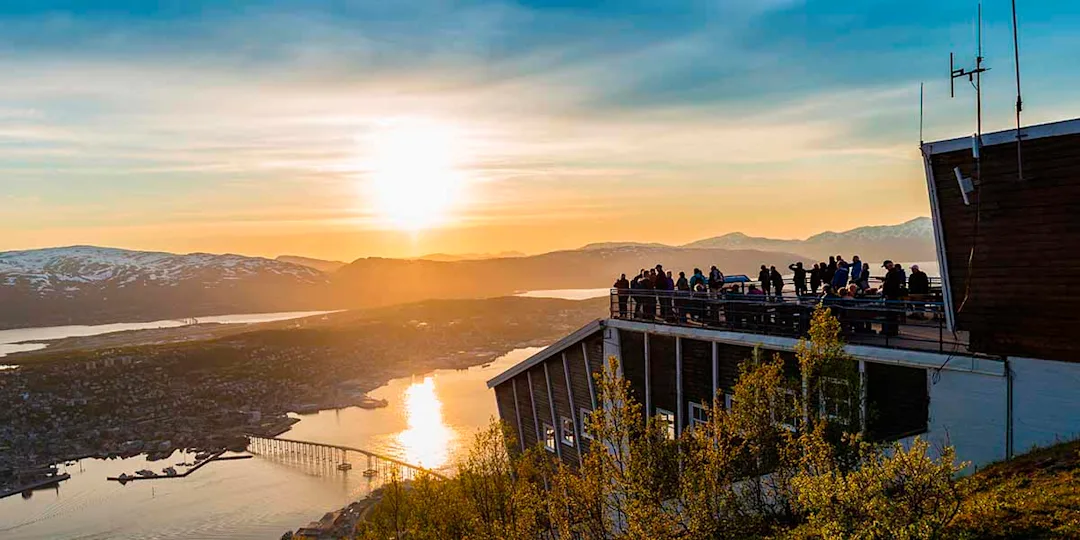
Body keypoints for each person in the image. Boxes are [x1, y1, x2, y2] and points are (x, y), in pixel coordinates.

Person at [881, 260, 903, 336]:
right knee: (892, 314)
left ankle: (891, 331)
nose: (886, 268)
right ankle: (892, 330)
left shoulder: (892, 274)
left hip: (891, 296)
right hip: (893, 296)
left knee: (891, 314)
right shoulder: (894, 273)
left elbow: (890, 285)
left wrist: (886, 293)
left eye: (886, 266)